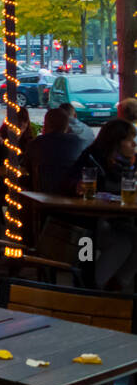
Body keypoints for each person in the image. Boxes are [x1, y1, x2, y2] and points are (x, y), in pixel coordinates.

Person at [64, 119, 137, 291]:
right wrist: (77, 186)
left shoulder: (131, 163)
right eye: (129, 139)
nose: (134, 144)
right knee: (123, 242)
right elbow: (66, 182)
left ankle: (115, 284)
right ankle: (91, 288)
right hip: (87, 224)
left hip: (118, 221)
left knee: (132, 237)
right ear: (116, 142)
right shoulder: (92, 158)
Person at [27, 107, 85, 195]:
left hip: (42, 196)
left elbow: (27, 166)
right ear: (67, 126)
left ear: (46, 124)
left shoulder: (36, 143)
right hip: (71, 196)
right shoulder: (78, 143)